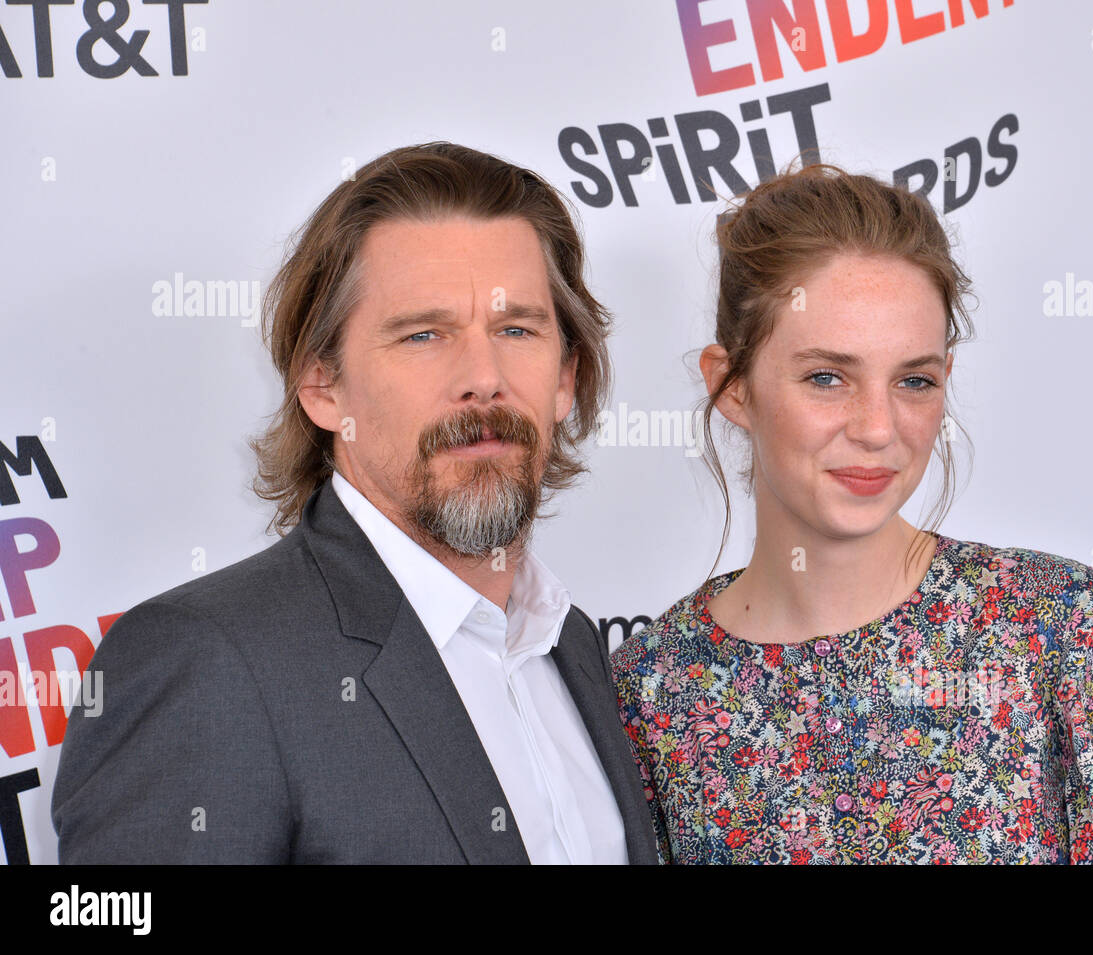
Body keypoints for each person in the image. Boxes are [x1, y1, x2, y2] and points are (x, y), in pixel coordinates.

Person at [610, 162, 1093, 864]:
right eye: (827, 376)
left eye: (914, 380)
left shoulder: (1072, 626)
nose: (879, 427)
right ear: (731, 387)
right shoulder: (648, 689)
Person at [51, 142, 658, 864]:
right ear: (322, 388)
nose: (483, 377)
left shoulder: (572, 644)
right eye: (423, 334)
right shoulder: (208, 664)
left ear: (566, 377)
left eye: (516, 329)